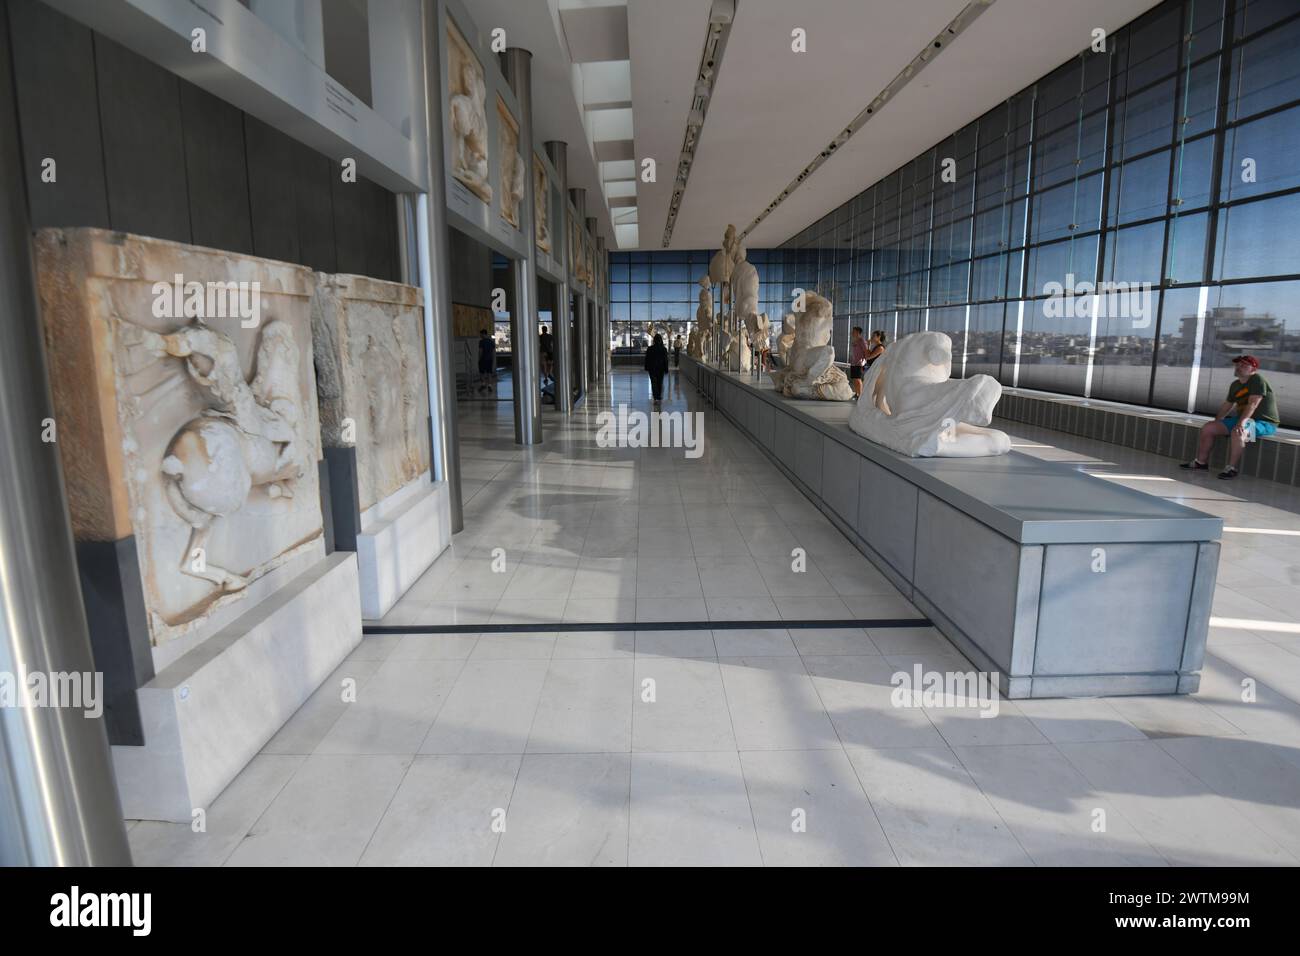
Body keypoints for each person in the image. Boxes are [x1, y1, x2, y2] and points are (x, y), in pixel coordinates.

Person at [1182, 354, 1280, 479]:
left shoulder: (1257, 379)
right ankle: (1200, 463)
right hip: (1244, 419)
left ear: (1253, 369)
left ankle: (1231, 468)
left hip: (1265, 423)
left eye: (1244, 365)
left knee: (1238, 431)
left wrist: (1241, 423)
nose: (1239, 367)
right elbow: (1227, 405)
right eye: (1238, 364)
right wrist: (1217, 422)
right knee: (1208, 428)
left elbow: (1253, 404)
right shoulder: (1235, 385)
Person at [645, 332, 669, 409]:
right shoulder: (664, 349)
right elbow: (666, 360)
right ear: (661, 340)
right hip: (661, 368)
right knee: (659, 382)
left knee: (653, 383)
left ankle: (655, 398)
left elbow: (647, 359)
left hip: (652, 368)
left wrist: (646, 367)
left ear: (654, 340)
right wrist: (666, 369)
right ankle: (658, 396)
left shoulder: (650, 349)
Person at [848, 327, 868, 398]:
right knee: (854, 379)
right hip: (853, 363)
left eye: (854, 331)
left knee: (858, 379)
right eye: (852, 331)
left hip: (859, 363)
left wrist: (864, 362)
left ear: (858, 332)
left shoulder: (862, 341)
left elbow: (866, 351)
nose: (852, 333)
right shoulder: (854, 341)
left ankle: (860, 395)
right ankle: (857, 393)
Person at [477, 328, 496, 394]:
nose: (480, 335)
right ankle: (490, 386)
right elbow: (493, 352)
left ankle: (483, 384)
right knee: (489, 373)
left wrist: (479, 359)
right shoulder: (491, 341)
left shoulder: (481, 342)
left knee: (482, 373)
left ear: (483, 334)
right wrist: (493, 359)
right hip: (490, 359)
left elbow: (480, 351)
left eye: (481, 334)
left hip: (483, 359)